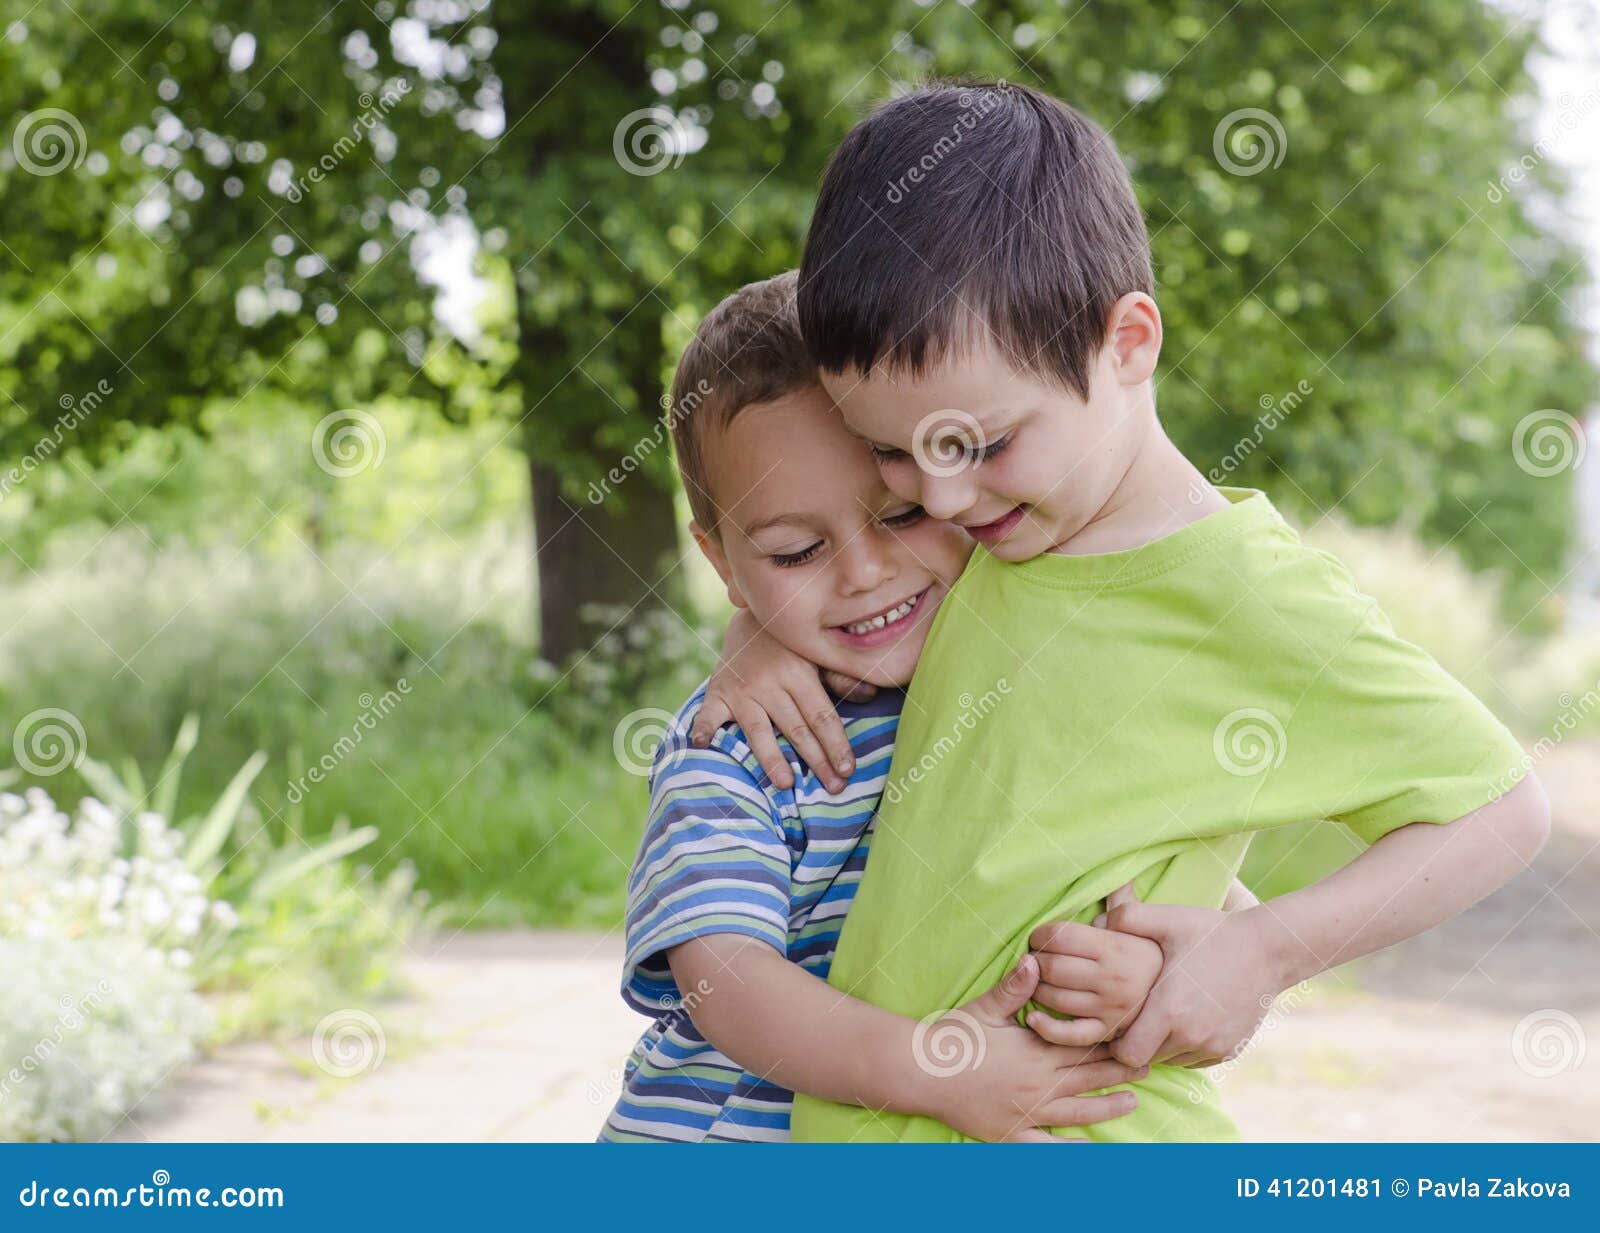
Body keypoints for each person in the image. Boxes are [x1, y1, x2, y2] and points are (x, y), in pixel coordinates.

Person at [707, 82, 1549, 1142]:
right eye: (892, 452)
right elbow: (839, 576)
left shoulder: (1245, 594)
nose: (942, 497)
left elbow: (1498, 808)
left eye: (984, 443)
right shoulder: (991, 532)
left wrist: (1258, 951)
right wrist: (749, 641)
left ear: (1127, 343)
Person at [598, 271, 1165, 1143]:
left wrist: (1139, 961)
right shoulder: (741, 742)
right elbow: (723, 978)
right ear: (722, 565)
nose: (865, 574)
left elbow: (1170, 887)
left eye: (902, 513)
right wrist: (934, 1069)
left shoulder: (1037, 692)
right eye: (795, 551)